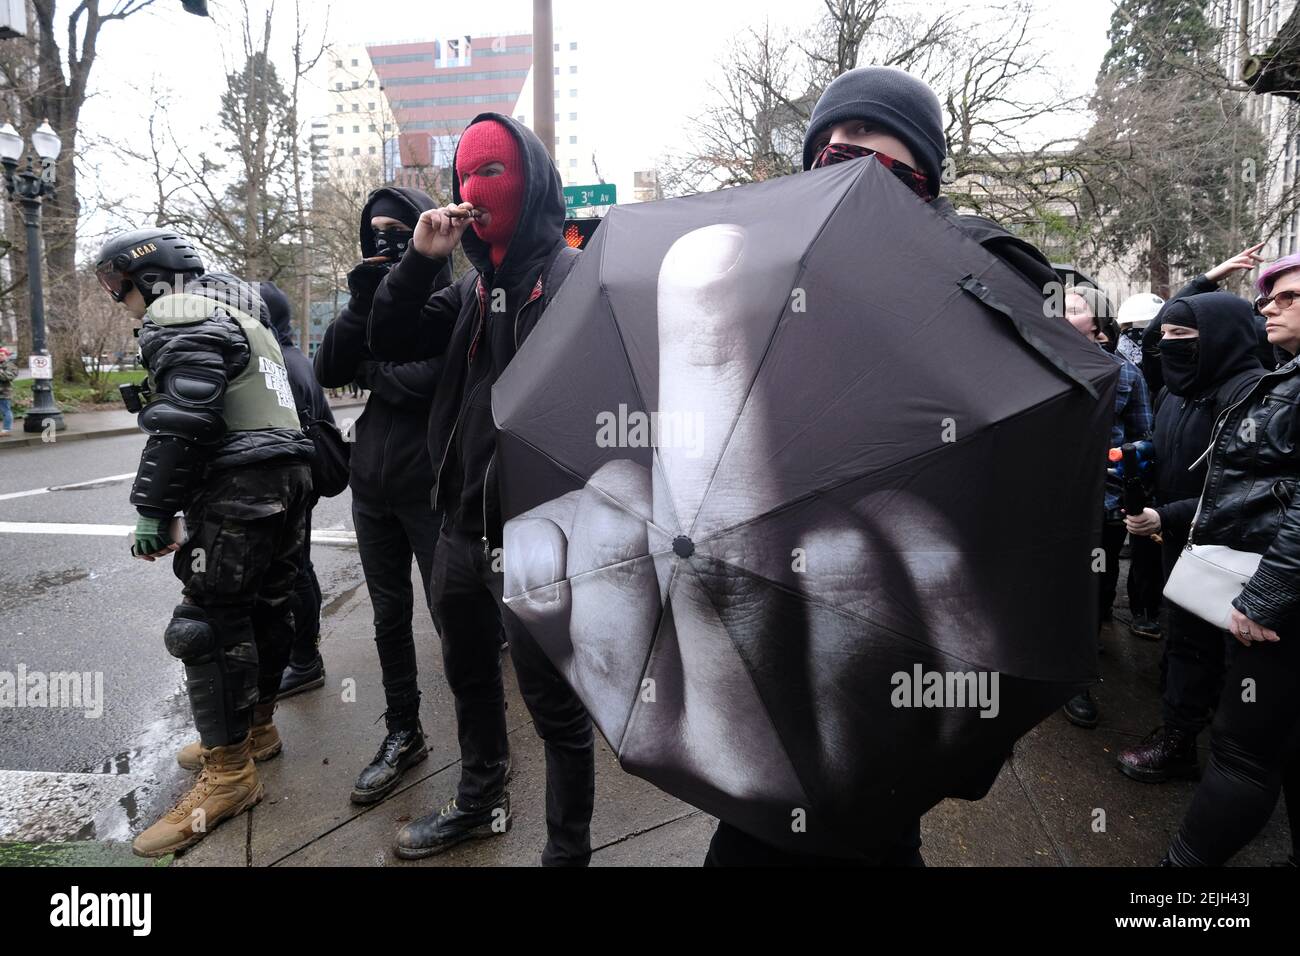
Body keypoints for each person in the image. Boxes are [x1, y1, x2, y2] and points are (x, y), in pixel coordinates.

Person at [693, 65, 1063, 866]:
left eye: (867, 134)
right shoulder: (780, 270)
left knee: (868, 816)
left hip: (902, 610)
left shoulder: (982, 259)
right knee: (757, 810)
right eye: (826, 142)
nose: (840, 145)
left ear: (924, 166)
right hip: (776, 581)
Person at [367, 113, 592, 864]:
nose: (473, 188)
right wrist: (423, 263)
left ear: (529, 184)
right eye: (464, 174)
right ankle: (479, 800)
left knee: (555, 709)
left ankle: (567, 850)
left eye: (491, 172)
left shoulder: (570, 280)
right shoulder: (470, 289)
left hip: (535, 539)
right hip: (459, 531)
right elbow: (388, 339)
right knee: (468, 678)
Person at [95, 228, 313, 857]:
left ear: (153, 276)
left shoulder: (179, 311)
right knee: (271, 605)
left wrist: (153, 509)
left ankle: (228, 776)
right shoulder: (245, 313)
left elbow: (186, 417)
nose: (120, 300)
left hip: (238, 486)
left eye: (119, 284)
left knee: (205, 625)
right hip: (285, 475)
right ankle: (257, 730)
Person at [1161, 253, 1300, 866]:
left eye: (1290, 296)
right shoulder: (1287, 377)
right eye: (1269, 295)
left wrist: (1268, 591)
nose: (1269, 303)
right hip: (1265, 588)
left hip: (1278, 604)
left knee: (1243, 755)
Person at [315, 185, 450, 804]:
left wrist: (379, 372)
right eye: (375, 230)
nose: (386, 239)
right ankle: (403, 731)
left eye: (399, 228)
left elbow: (439, 379)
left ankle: (483, 758)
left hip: (435, 485)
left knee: (456, 617)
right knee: (388, 616)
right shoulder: (373, 300)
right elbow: (329, 371)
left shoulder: (453, 294)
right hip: (373, 485)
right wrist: (361, 299)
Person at [1118, 291, 1263, 783]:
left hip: (1232, 550)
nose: (1168, 344)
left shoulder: (1253, 397)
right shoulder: (1175, 391)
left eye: (1183, 336)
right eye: (1166, 335)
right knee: (1184, 641)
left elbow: (1247, 493)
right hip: (1178, 538)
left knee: (1223, 654)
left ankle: (1226, 755)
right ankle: (1180, 736)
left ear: (1219, 338)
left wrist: (1168, 515)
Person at [1061, 285, 1152, 729]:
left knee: (1096, 584)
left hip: (1105, 502)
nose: (1060, 312)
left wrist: (1121, 463)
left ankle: (1077, 672)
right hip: (1049, 500)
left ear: (1097, 325)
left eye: (1073, 308)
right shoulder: (1040, 362)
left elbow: (1142, 438)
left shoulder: (1128, 374)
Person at [255, 281, 334, 698]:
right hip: (301, 479)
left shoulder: (277, 363)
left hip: (291, 483)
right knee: (297, 567)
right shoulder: (289, 358)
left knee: (295, 570)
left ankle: (304, 660)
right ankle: (303, 658)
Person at [0, 345, 16, 436]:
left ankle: (6, 429)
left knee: (6, 410)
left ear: (6, 355)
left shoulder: (10, 365)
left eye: (2, 355)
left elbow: (9, 377)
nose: (0, 356)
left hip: (4, 392)